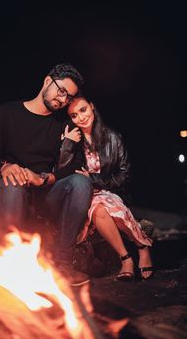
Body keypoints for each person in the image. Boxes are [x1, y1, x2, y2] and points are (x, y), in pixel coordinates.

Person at [0, 63, 93, 286]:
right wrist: (5, 166)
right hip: (9, 191)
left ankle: (63, 265)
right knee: (12, 183)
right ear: (47, 81)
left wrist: (45, 178)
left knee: (80, 183)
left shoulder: (63, 123)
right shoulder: (8, 112)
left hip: (45, 193)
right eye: (61, 91)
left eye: (68, 98)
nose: (63, 100)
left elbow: (76, 165)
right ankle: (12, 267)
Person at [58, 95, 154, 281]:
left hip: (111, 191)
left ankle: (139, 251)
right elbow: (61, 171)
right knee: (98, 208)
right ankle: (131, 254)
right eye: (74, 115)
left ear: (92, 107)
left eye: (83, 110)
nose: (80, 117)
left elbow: (124, 175)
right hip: (83, 195)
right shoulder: (74, 140)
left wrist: (94, 180)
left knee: (105, 207)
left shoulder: (113, 138)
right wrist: (68, 143)